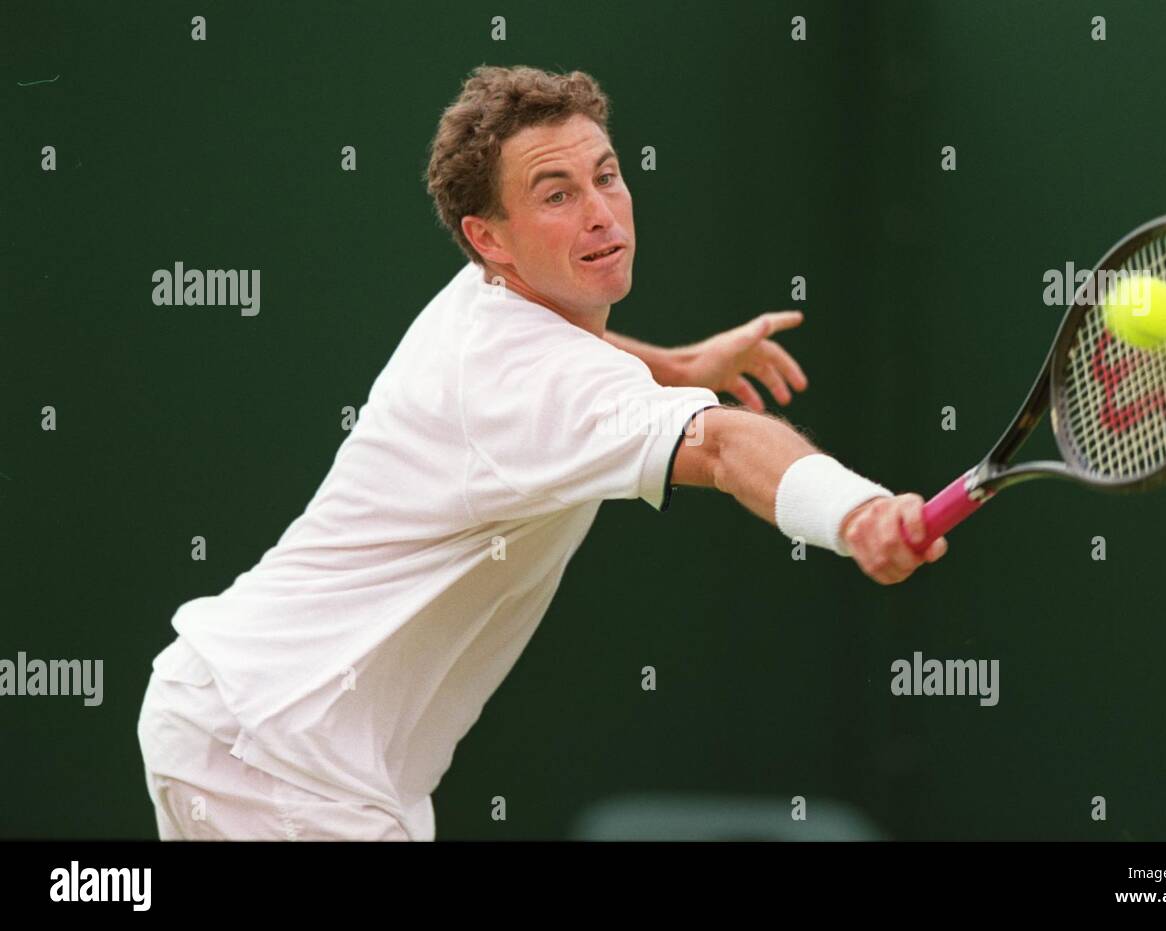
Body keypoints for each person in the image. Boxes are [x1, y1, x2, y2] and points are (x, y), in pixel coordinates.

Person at [136, 64, 948, 842]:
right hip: (281, 752)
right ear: (488, 236)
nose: (601, 212)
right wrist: (860, 514)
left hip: (241, 712)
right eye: (556, 194)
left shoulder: (488, 297)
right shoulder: (528, 381)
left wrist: (680, 366)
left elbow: (573, 358)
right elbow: (726, 443)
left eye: (607, 175)